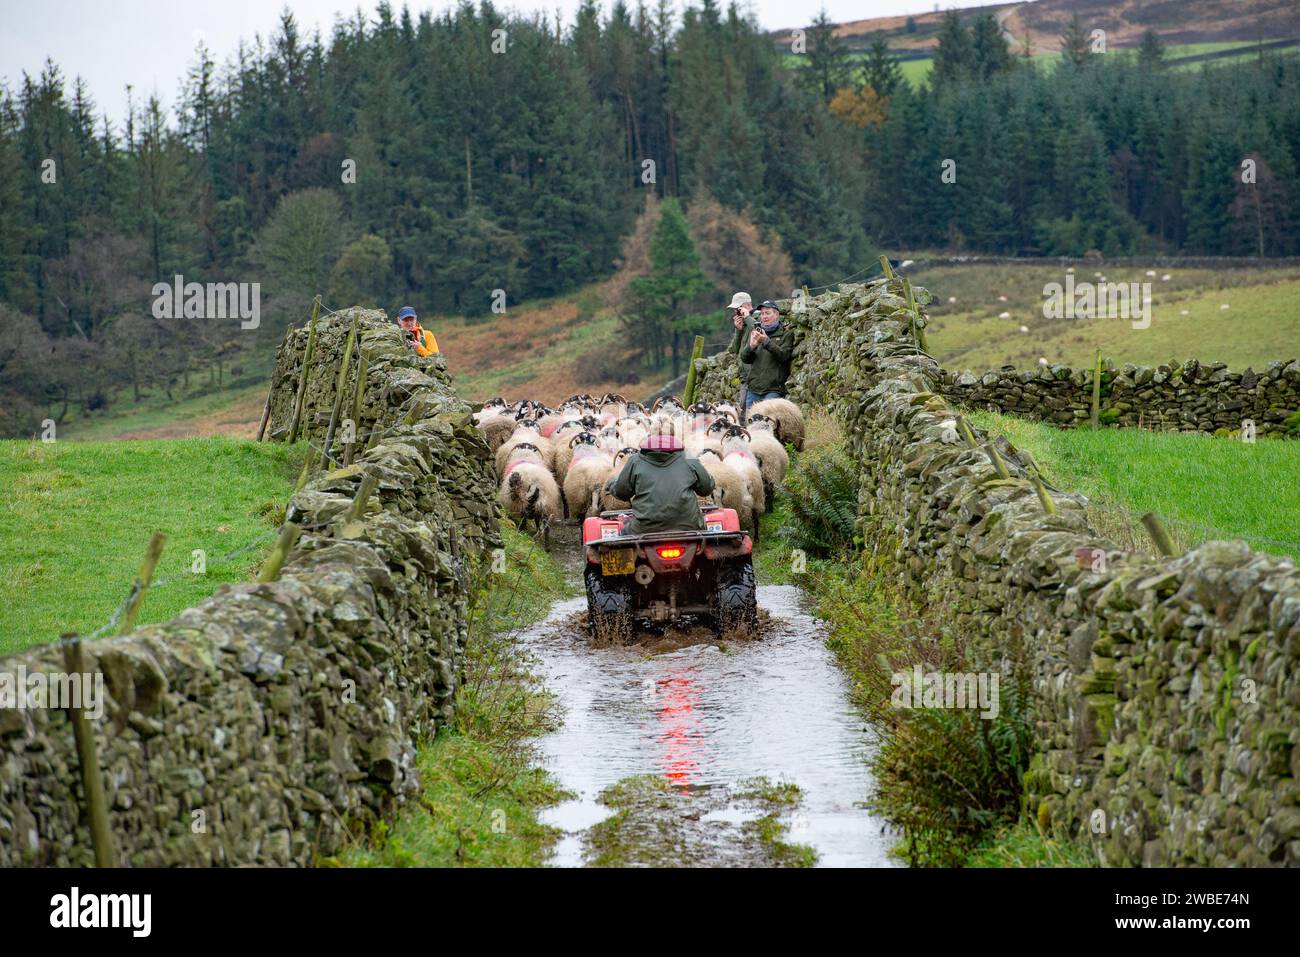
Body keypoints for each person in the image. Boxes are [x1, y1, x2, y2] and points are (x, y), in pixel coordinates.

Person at [604, 433, 715, 536]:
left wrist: (612, 486)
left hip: (644, 528)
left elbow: (622, 492)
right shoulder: (689, 459)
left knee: (622, 539)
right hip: (690, 526)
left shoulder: (635, 461)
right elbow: (706, 489)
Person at [738, 299, 793, 415]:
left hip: (773, 389)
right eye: (762, 314)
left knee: (768, 422)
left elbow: (783, 356)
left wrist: (766, 342)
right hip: (753, 389)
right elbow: (745, 358)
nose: (764, 317)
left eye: (768, 313)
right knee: (751, 424)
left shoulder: (786, 334)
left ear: (777, 315)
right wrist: (751, 347)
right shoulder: (756, 332)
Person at [725, 291, 756, 411]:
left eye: (738, 308)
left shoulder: (757, 317)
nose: (736, 312)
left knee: (747, 410)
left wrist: (747, 317)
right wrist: (738, 330)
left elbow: (758, 329)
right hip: (745, 376)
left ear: (747, 306)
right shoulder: (743, 322)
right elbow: (734, 349)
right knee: (743, 409)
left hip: (755, 373)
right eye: (735, 310)